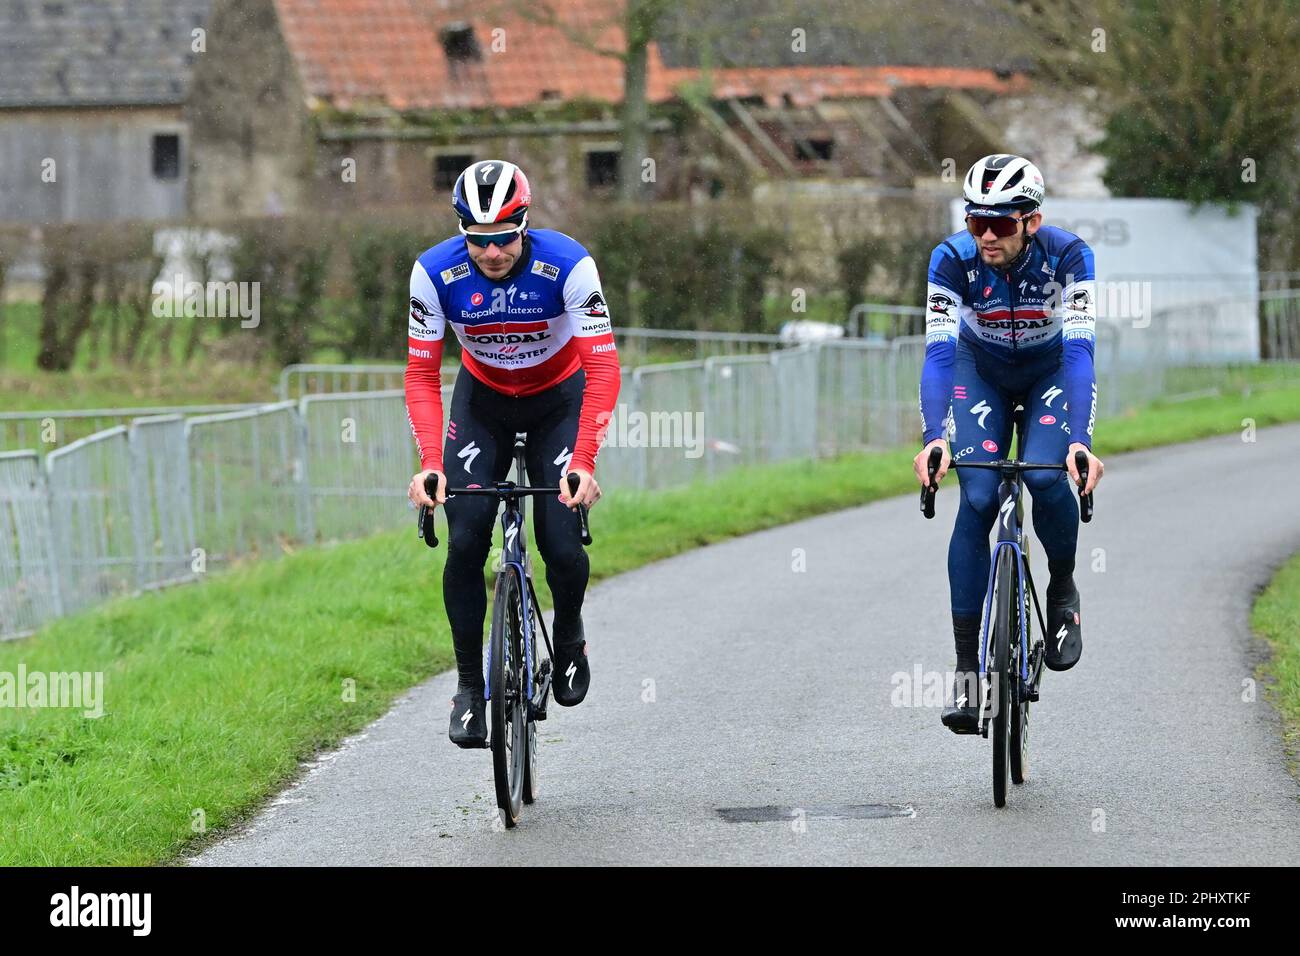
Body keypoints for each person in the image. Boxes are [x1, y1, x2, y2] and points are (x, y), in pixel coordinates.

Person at [404, 160, 620, 747]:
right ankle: (471, 688)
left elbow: (602, 368)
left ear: (524, 224)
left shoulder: (569, 264)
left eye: (504, 237)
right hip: (485, 405)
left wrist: (584, 461)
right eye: (478, 240)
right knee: (468, 536)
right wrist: (429, 461)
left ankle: (570, 632)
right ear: (461, 232)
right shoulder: (435, 272)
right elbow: (422, 376)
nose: (492, 252)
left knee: (559, 540)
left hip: (558, 403)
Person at [911, 154, 1105, 734]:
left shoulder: (1070, 256)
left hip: (1050, 370)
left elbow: (1079, 353)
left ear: (1032, 221)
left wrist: (1080, 441)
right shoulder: (951, 259)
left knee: (1046, 476)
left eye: (1000, 223)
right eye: (977, 222)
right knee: (975, 497)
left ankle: (1063, 586)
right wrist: (933, 437)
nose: (987, 235)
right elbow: (940, 354)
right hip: (980, 372)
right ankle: (969, 674)